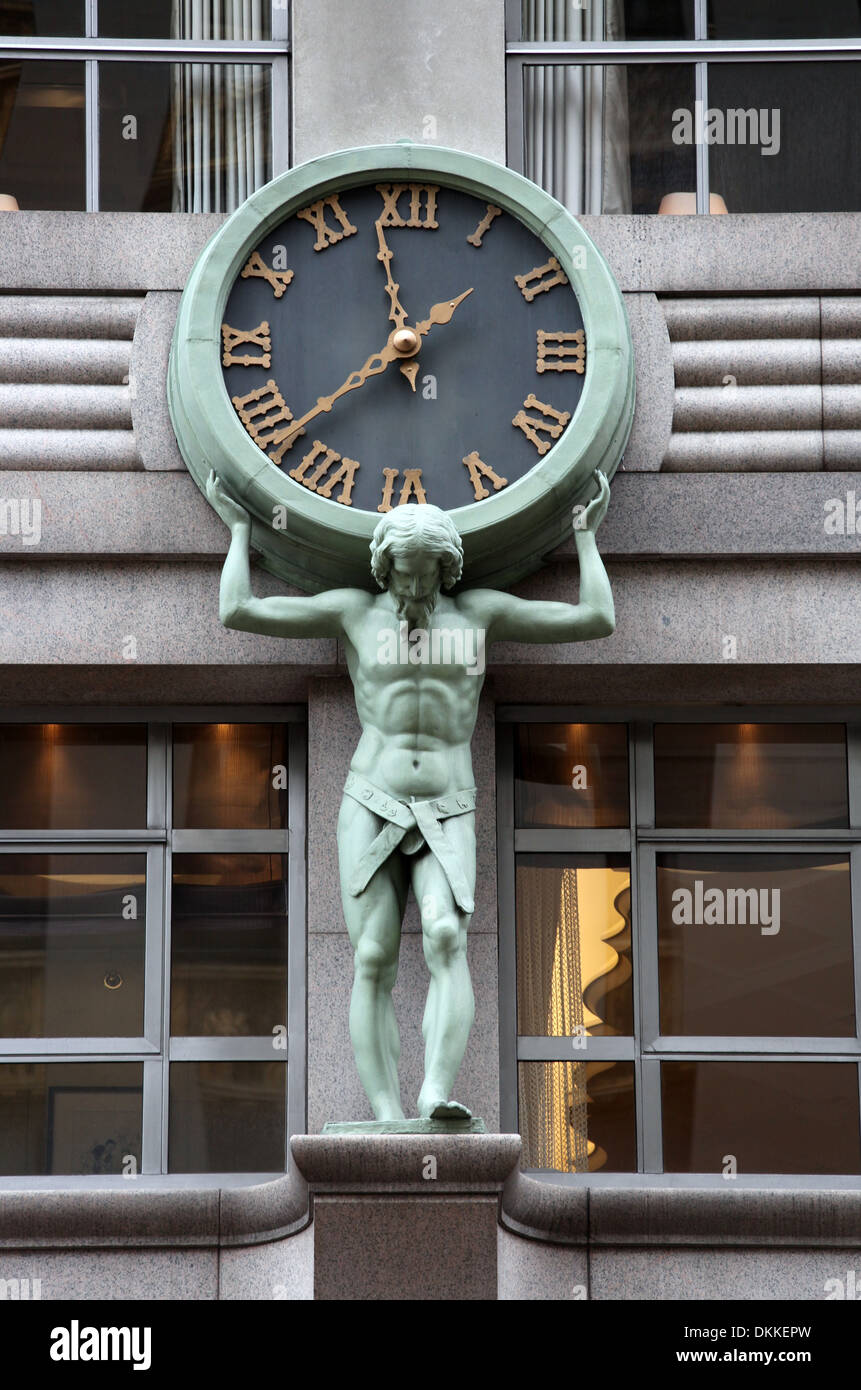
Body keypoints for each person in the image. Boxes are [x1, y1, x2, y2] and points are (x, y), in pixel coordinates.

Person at [206, 468, 614, 1122]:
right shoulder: (353, 612)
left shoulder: (478, 614)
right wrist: (237, 532)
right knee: (372, 955)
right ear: (383, 566)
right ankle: (386, 1112)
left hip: (449, 801)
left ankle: (433, 1092)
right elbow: (239, 611)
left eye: (426, 573)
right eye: (402, 572)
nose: (413, 586)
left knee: (447, 937)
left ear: (445, 569)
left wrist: (584, 536)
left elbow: (594, 618)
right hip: (372, 798)